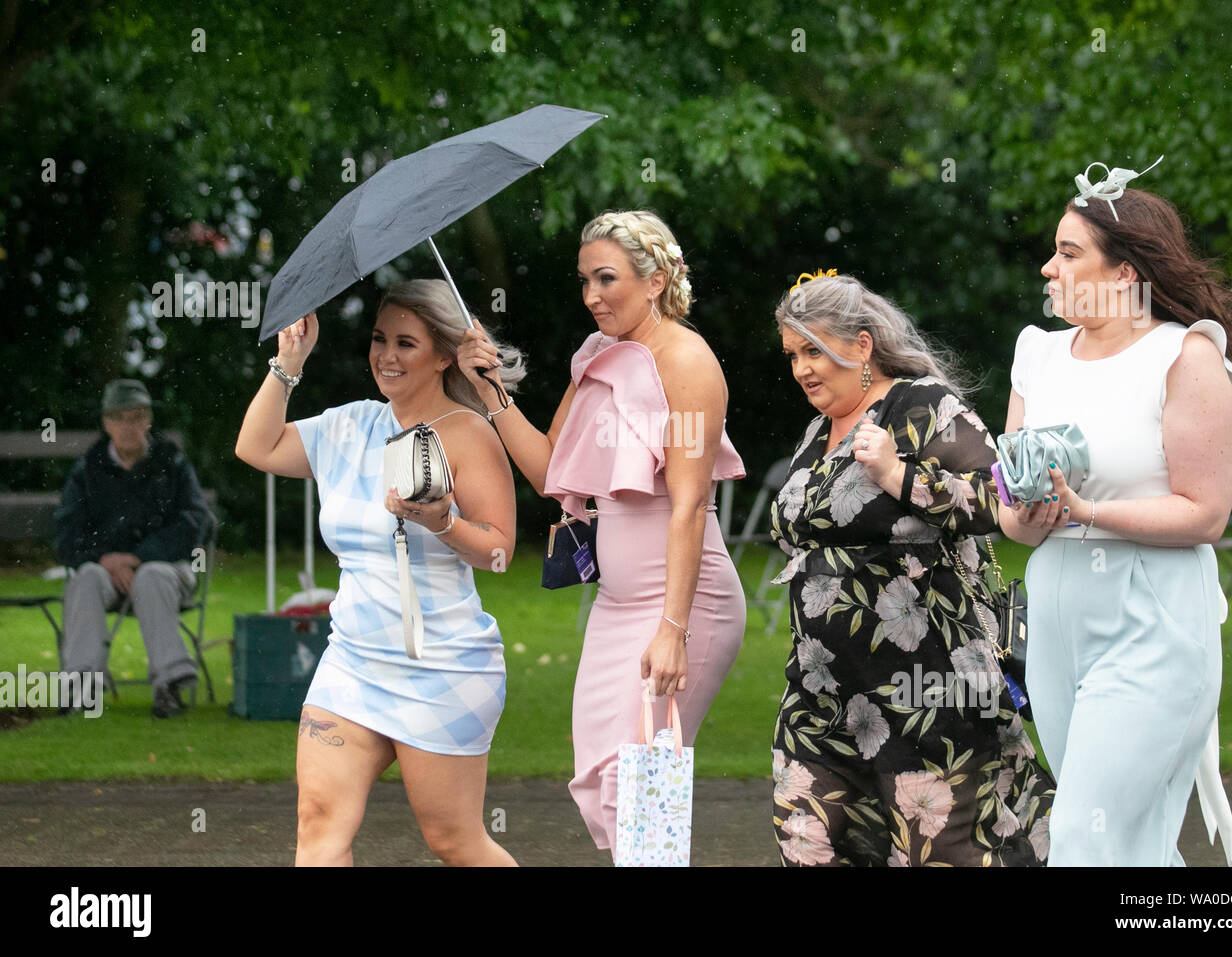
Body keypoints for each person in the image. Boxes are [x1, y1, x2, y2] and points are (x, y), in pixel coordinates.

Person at [456, 209, 746, 859]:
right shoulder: (597, 358)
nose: (590, 294)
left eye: (606, 278)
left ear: (656, 279)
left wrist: (673, 628)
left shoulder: (687, 360)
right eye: (584, 280)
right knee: (598, 782)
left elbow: (691, 502)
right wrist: (492, 392)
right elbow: (548, 469)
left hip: (685, 605)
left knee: (641, 789)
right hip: (616, 608)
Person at [1000, 171, 1232, 866]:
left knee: (1086, 836)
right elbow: (1012, 516)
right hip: (1056, 616)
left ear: (1126, 271)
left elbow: (1205, 514)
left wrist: (1090, 512)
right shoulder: (1038, 353)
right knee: (1125, 843)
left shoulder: (1184, 355)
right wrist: (1031, 513)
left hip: (1154, 614)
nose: (1049, 267)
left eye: (1069, 252)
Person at [768, 271, 1054, 866]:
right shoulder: (817, 430)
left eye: (813, 350)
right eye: (793, 354)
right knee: (809, 841)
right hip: (822, 688)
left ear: (862, 345)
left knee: (943, 849)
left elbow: (997, 501)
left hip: (925, 686)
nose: (801, 369)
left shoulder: (922, 404)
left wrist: (899, 477)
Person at [235, 279, 524, 866]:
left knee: (455, 842)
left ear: (444, 354)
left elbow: (499, 553)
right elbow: (256, 447)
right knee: (318, 828)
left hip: (443, 664)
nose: (386, 356)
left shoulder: (469, 436)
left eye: (406, 343)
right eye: (378, 339)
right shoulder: (351, 426)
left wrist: (442, 522)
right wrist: (287, 365)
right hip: (354, 662)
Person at [55, 379, 210, 718]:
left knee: (152, 576)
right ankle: (80, 686)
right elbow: (68, 531)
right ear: (106, 423)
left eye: (137, 417)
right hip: (107, 572)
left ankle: (169, 686)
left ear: (149, 420)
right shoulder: (87, 469)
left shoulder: (173, 464)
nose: (129, 426)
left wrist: (140, 557)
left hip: (167, 569)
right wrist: (105, 560)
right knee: (86, 578)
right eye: (120, 418)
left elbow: (194, 522)